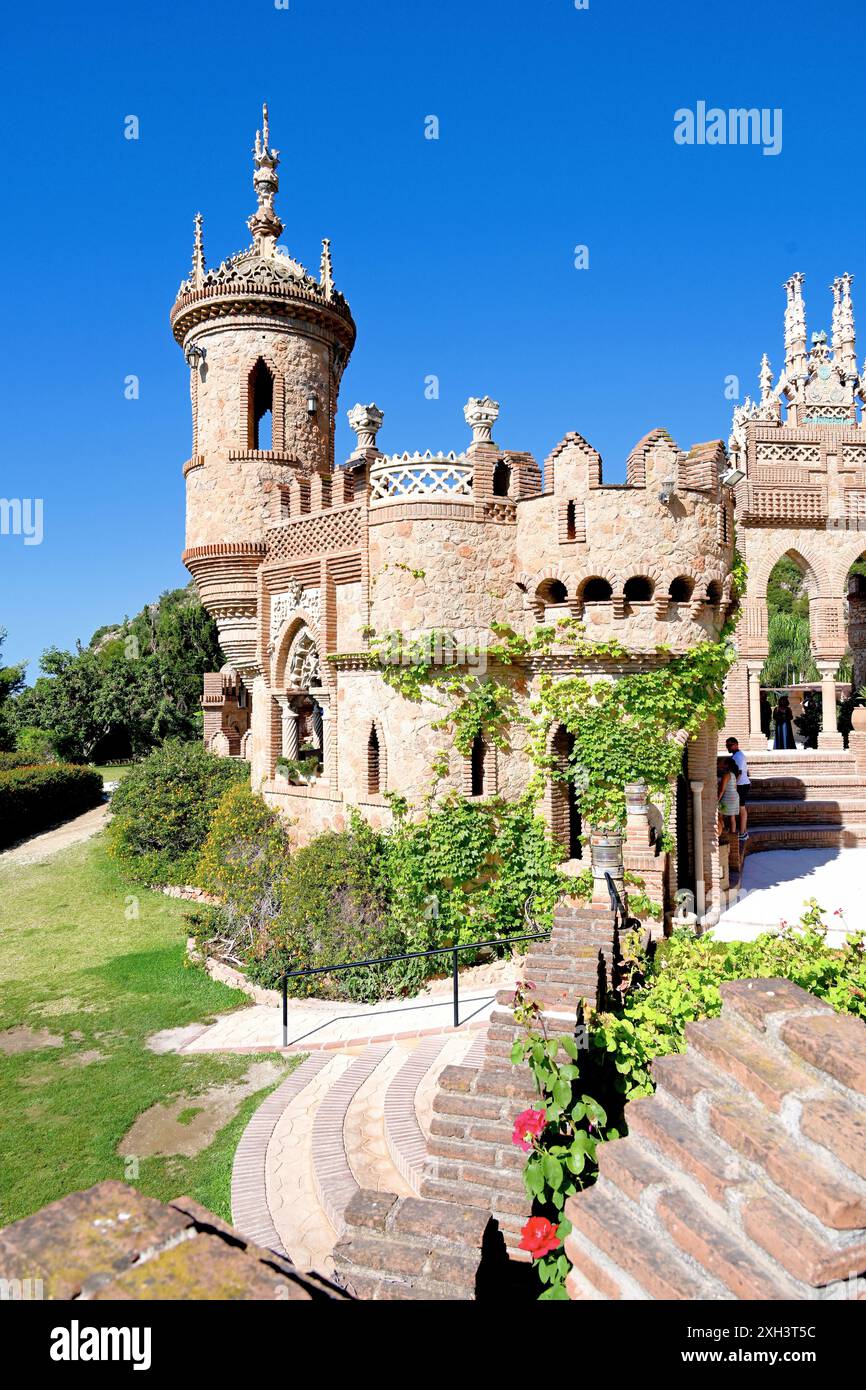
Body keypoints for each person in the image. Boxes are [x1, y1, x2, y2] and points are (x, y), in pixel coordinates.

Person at [725, 736, 750, 839]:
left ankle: (743, 832)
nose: (728, 747)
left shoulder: (738, 756)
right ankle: (743, 831)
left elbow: (738, 772)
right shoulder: (737, 755)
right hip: (742, 784)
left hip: (742, 785)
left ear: (736, 745)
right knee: (740, 808)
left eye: (730, 745)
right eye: (727, 745)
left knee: (741, 808)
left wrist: (733, 786)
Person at [717, 755, 740, 835]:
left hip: (729, 798)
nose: (720, 765)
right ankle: (733, 835)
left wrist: (717, 801)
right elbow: (735, 787)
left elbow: (722, 790)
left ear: (726, 765)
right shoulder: (733, 775)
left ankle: (721, 831)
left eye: (722, 763)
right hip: (735, 797)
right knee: (732, 817)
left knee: (719, 812)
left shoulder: (726, 775)